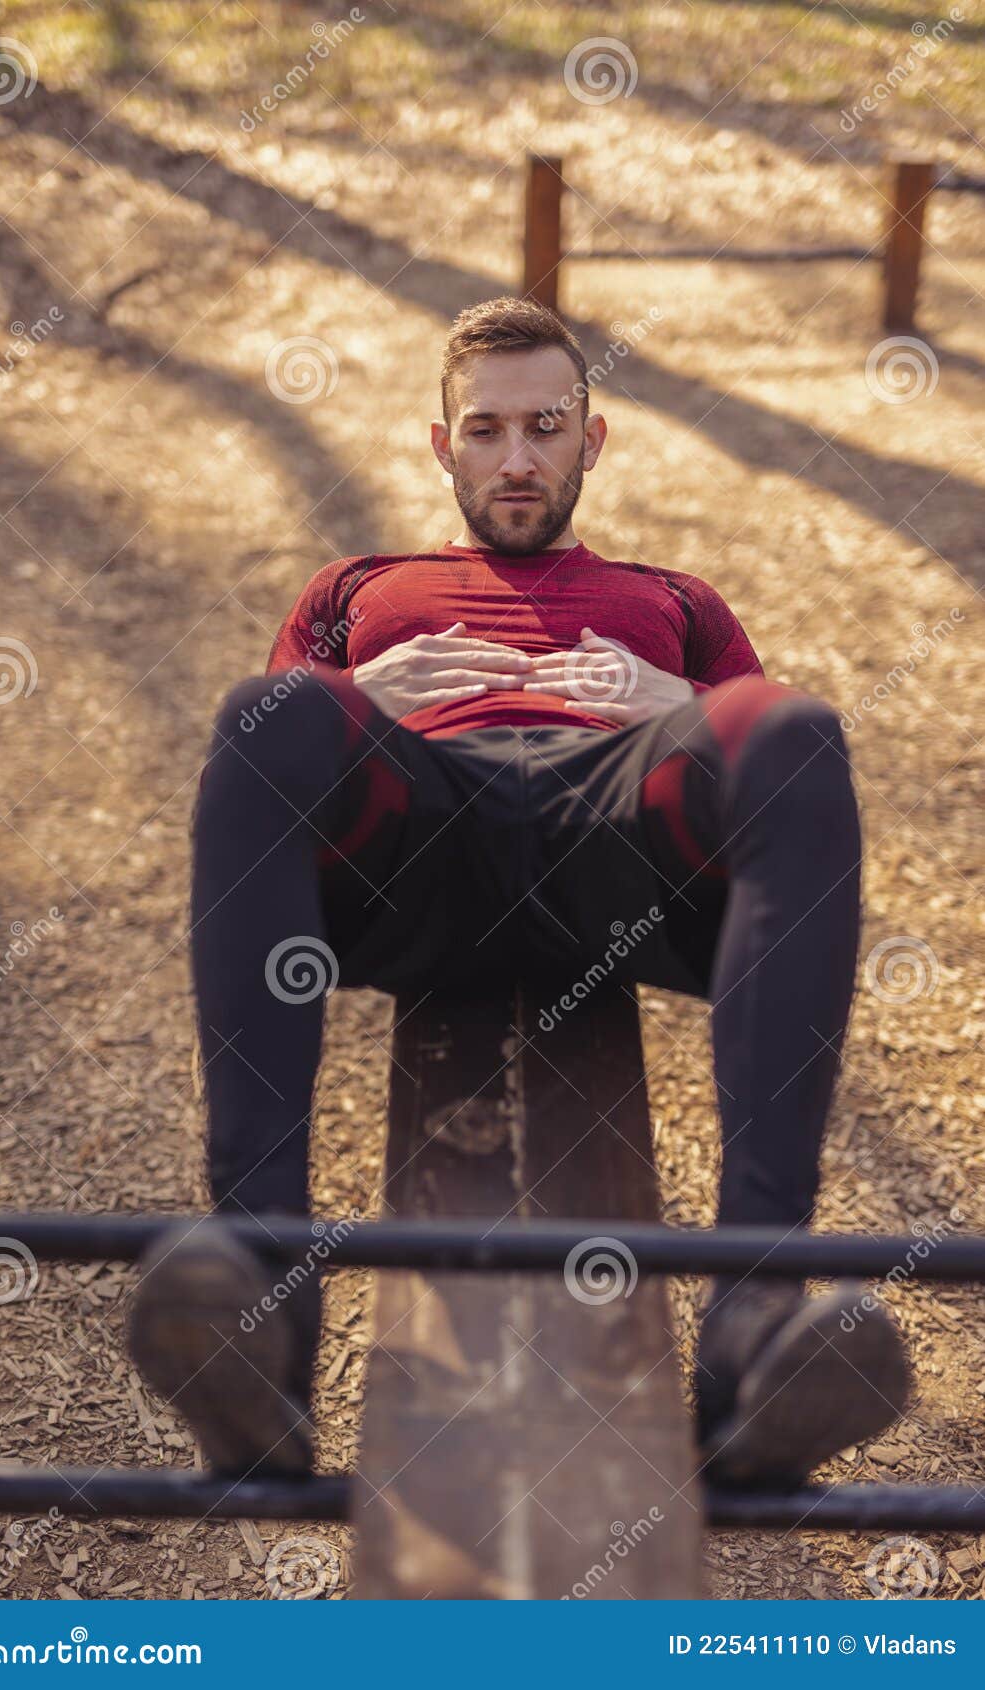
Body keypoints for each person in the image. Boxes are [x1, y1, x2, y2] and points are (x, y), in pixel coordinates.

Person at [128, 296, 909, 1493]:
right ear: (441, 445)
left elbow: (767, 772)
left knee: (798, 729)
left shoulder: (676, 601)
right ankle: (260, 1308)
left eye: (546, 427)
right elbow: (260, 779)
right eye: (485, 430)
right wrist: (365, 685)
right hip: (417, 835)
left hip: (619, 845)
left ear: (590, 440)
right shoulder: (356, 585)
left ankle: (755, 1325)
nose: (517, 457)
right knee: (265, 712)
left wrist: (667, 703)